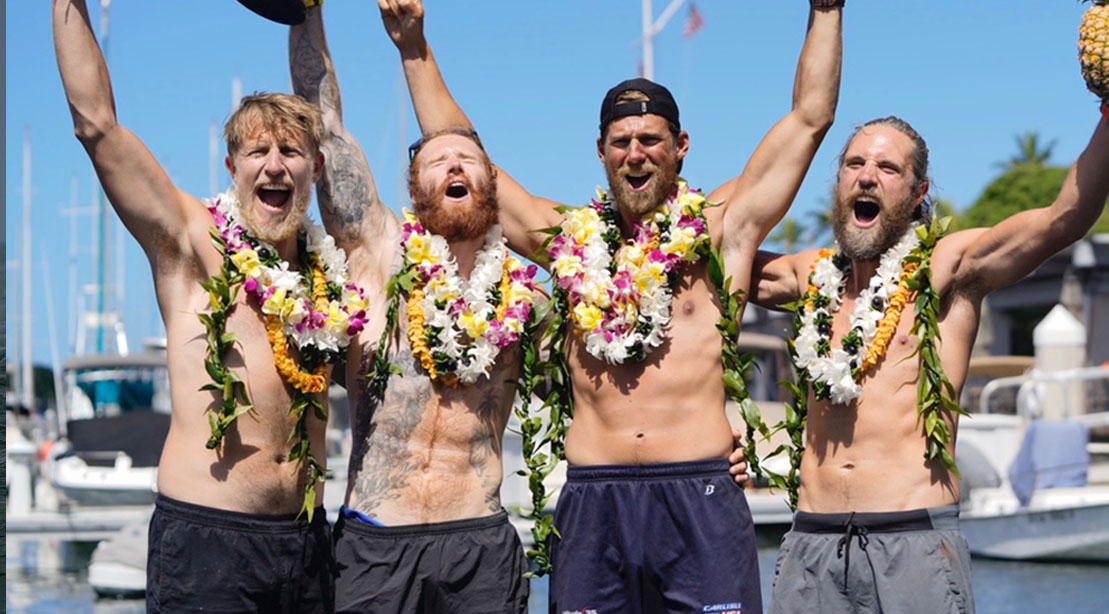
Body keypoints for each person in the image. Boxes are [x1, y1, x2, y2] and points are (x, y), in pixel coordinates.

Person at [399, 0, 845, 610]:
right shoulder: (568, 240)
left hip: (699, 495)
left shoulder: (721, 231)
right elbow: (468, 158)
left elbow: (808, 119)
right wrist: (412, 47)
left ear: (681, 145)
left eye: (650, 139)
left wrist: (826, 10)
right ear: (602, 152)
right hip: (593, 502)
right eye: (621, 141)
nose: (636, 153)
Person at [753, 108, 1109, 613]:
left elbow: (1063, 218)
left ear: (919, 193)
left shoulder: (948, 268)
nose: (867, 176)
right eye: (854, 164)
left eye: (888, 168)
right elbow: (720, 247)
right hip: (813, 544)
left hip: (913, 541)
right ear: (838, 183)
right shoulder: (809, 278)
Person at [54, 1, 347, 612]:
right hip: (207, 545)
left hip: (306, 545)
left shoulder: (328, 276)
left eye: (291, 152)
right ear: (231, 167)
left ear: (315, 168)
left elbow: (331, 117)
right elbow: (97, 126)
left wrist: (307, 14)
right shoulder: (193, 242)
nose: (274, 165)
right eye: (258, 152)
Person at [288, 4, 545, 612]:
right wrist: (303, 13)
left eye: (469, 159)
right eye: (438, 160)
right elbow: (321, 127)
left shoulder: (527, 297)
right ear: (413, 188)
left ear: (491, 186)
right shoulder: (376, 255)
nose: (455, 164)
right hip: (376, 540)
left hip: (478, 541)